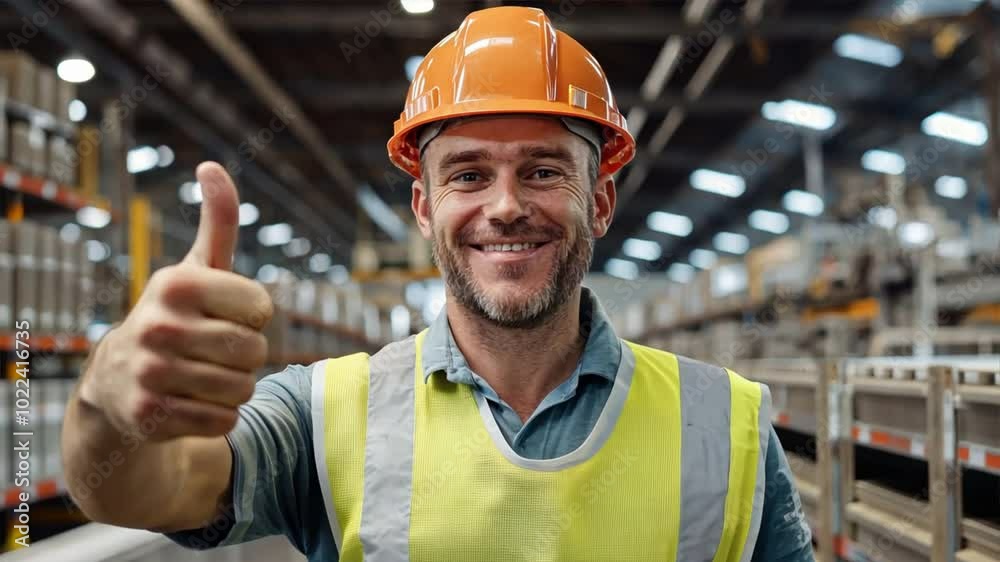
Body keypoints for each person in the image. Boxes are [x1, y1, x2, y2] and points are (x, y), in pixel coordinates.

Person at [63, 6, 813, 561]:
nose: (507, 204)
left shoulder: (727, 425)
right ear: (426, 208)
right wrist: (107, 405)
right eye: (469, 173)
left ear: (603, 202)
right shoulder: (323, 413)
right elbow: (149, 489)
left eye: (544, 170)